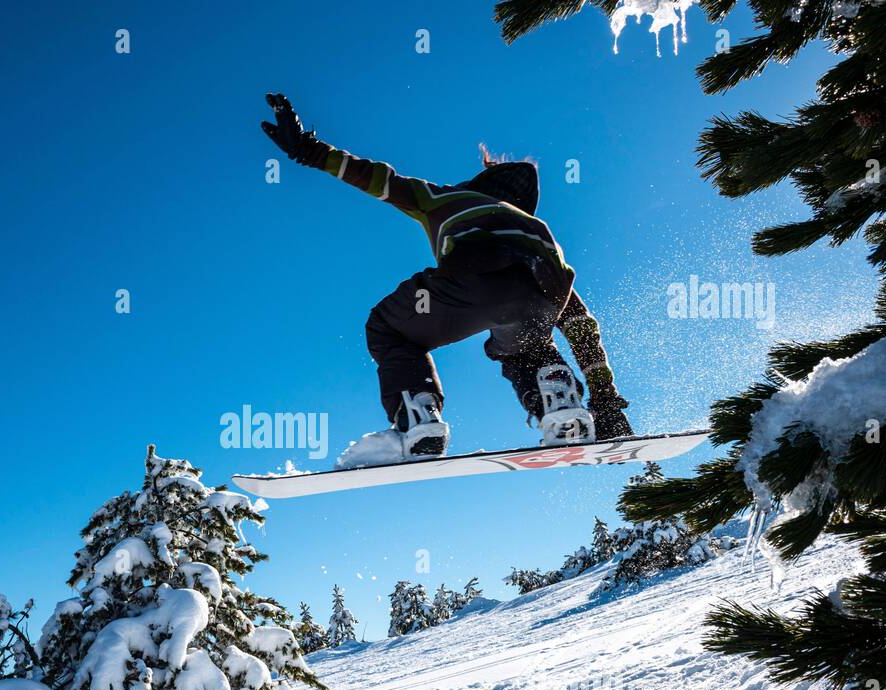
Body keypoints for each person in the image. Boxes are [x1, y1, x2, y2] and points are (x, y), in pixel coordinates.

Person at [261, 93, 634, 466]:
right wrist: (605, 397)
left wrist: (309, 151)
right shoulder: (537, 230)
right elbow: (579, 323)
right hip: (541, 293)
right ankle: (559, 398)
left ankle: (419, 416)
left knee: (387, 329)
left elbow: (381, 181)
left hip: (470, 278)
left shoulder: (446, 197)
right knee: (528, 346)